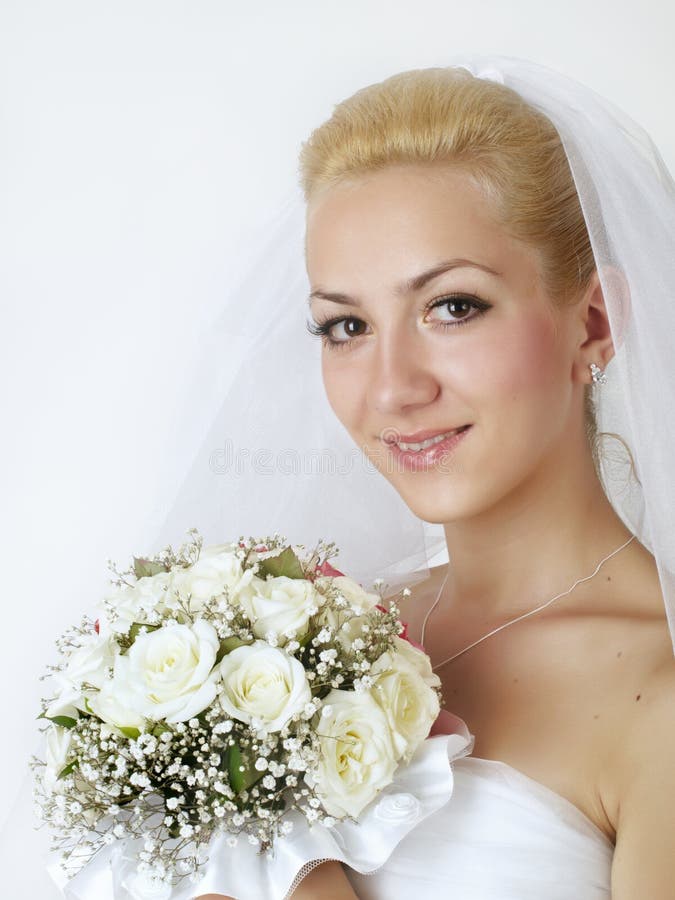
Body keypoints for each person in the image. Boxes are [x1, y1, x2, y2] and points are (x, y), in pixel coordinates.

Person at [191, 56, 675, 899]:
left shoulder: (658, 690)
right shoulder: (300, 646)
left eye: (452, 306)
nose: (390, 388)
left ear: (592, 322)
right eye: (344, 325)